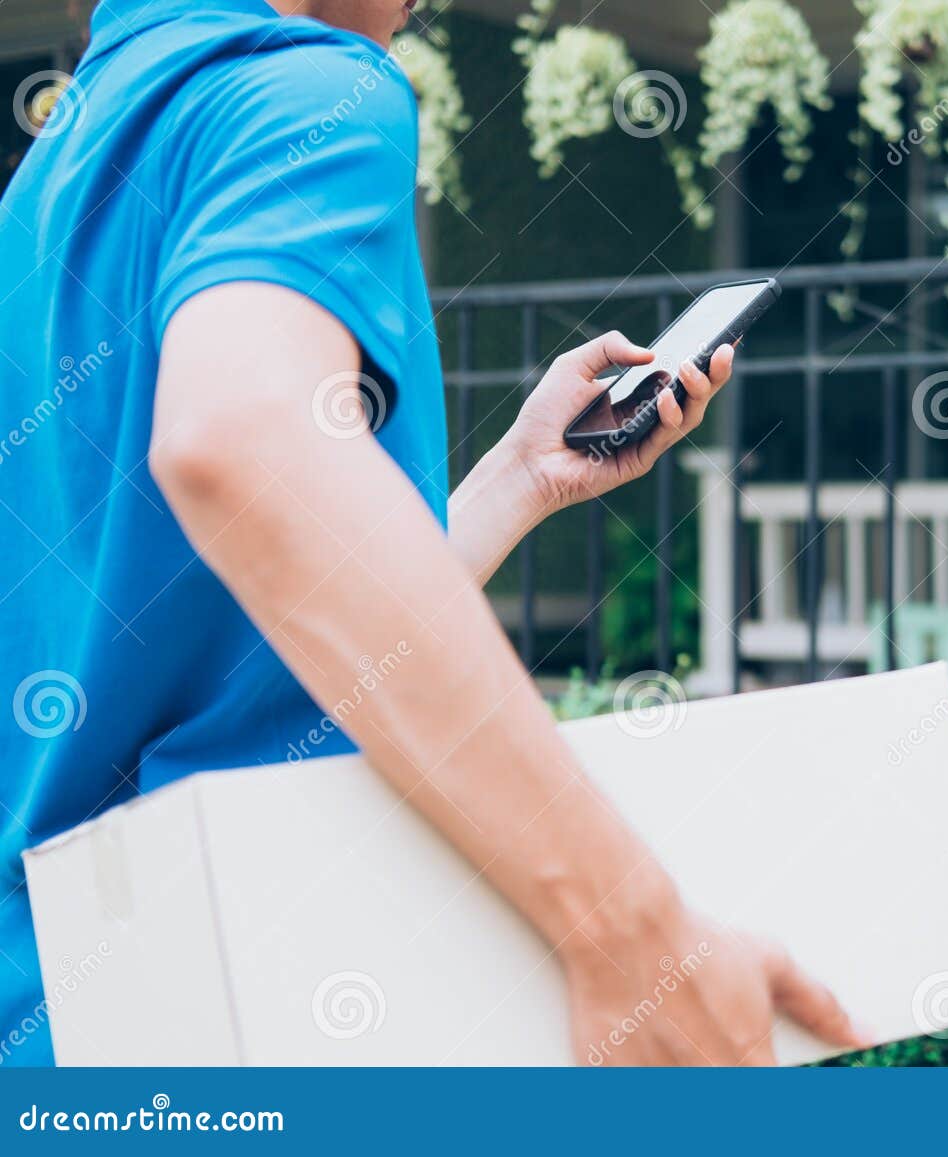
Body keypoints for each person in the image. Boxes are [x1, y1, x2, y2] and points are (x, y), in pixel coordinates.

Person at [0, 0, 863, 1066]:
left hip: (70, 1003)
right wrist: (631, 930)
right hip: (252, 996)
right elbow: (240, 440)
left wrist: (515, 481)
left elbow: (232, 637)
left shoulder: (66, 156)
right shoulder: (306, 87)